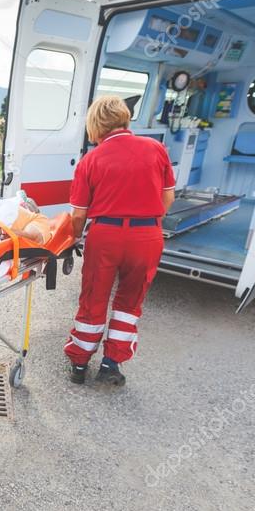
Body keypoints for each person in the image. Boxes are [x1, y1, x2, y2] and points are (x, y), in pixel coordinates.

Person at [64, 95, 176, 386]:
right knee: (130, 300)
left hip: (106, 236)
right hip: (147, 235)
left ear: (95, 124)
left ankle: (79, 363)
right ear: (126, 118)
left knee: (93, 297)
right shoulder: (156, 149)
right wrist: (146, 218)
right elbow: (168, 198)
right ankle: (111, 363)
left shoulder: (91, 160)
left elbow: (79, 214)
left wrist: (73, 238)